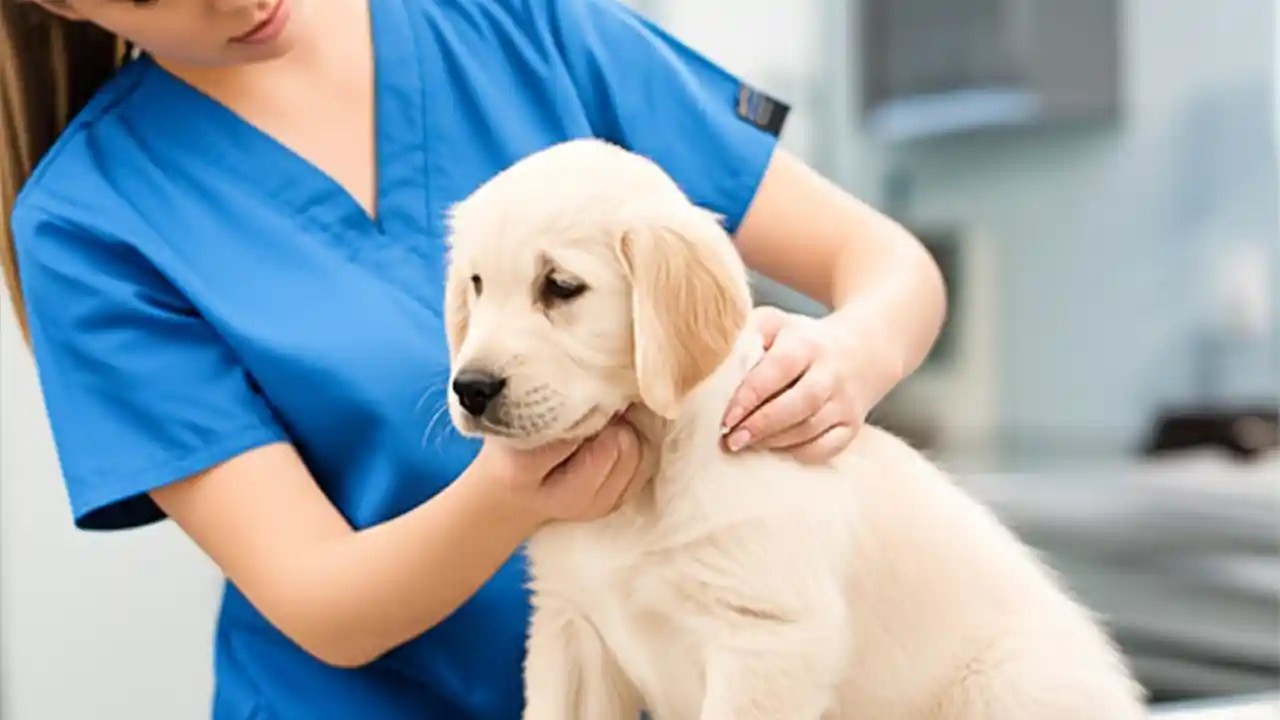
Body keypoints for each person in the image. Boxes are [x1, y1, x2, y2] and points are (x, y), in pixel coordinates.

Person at [0, 0, 946, 717]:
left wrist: (853, 354)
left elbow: (886, 264)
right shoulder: (90, 219)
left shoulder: (511, 24)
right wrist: (516, 492)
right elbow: (321, 601)